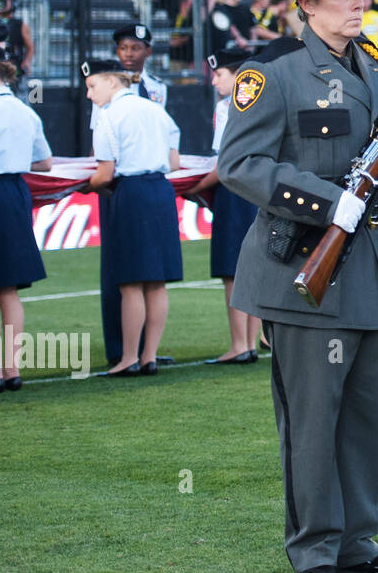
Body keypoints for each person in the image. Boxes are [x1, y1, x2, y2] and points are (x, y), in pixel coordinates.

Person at [217, 0, 378, 573]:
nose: (358, 1)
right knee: (314, 420)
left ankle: (359, 539)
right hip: (307, 269)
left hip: (374, 263)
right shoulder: (274, 73)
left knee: (373, 412)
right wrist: (325, 200)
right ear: (306, 4)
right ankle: (315, 547)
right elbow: (241, 166)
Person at [84, 58, 182, 378]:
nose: (89, 94)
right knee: (155, 282)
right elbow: (174, 161)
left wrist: (86, 186)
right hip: (161, 191)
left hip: (131, 193)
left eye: (92, 85)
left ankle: (128, 357)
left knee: (130, 283)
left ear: (112, 82)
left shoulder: (109, 116)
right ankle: (149, 356)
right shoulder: (156, 110)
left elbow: (104, 172)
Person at [0, 45, 52, 393]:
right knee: (9, 288)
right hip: (15, 192)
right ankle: (11, 369)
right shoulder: (25, 111)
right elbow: (44, 162)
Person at [193, 48, 262, 365]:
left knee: (232, 271)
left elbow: (224, 164)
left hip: (234, 193)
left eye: (219, 74)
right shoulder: (264, 101)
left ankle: (239, 344)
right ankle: (252, 340)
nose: (215, 81)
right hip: (260, 189)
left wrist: (193, 186)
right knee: (255, 268)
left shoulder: (227, 106)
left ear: (237, 75)